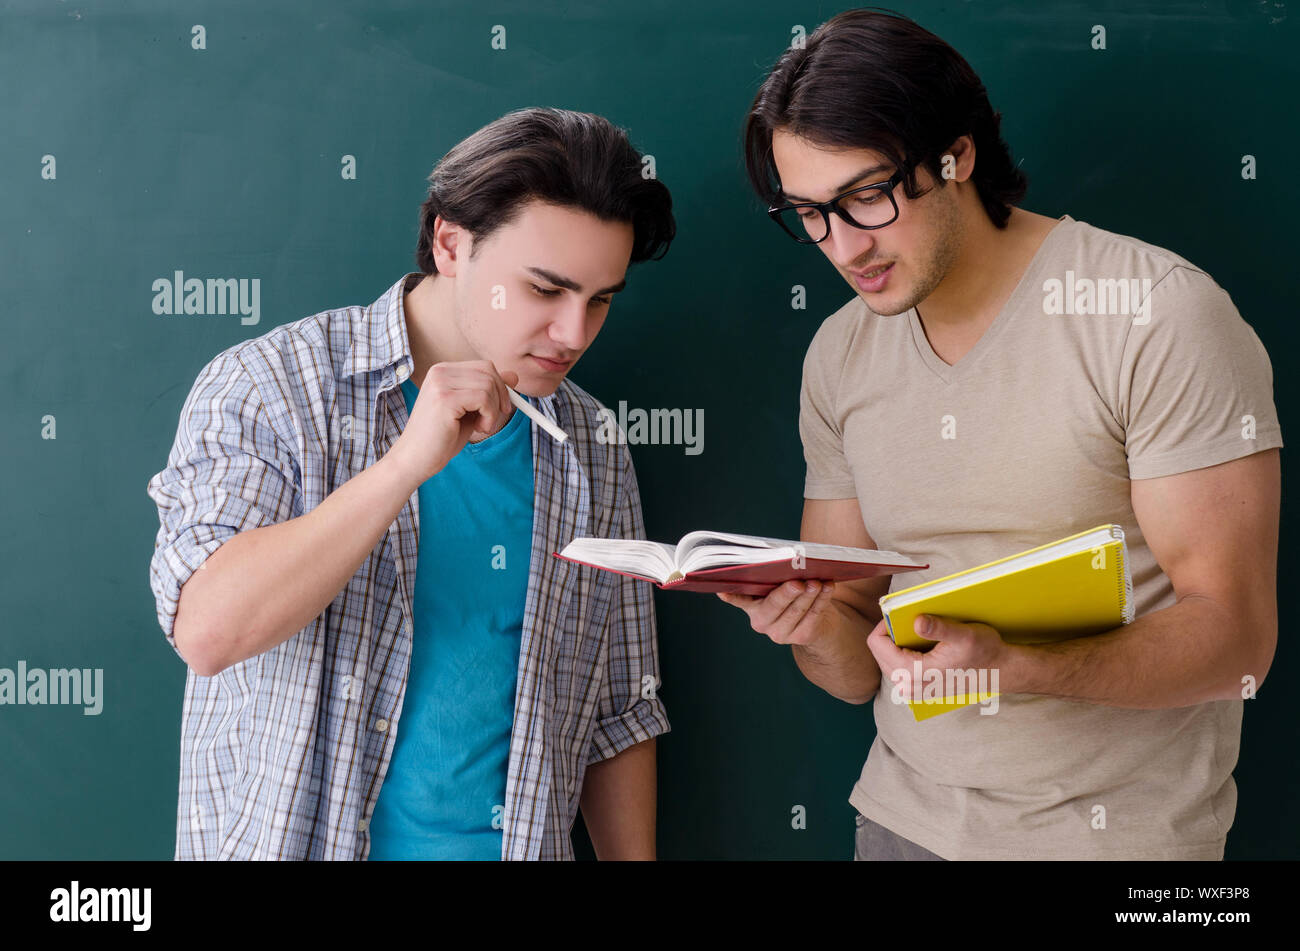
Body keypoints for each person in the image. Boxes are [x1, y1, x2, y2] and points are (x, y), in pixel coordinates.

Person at [721, 8, 1281, 860]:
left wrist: (1018, 665)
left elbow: (1238, 642)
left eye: (866, 197)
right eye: (809, 212)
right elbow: (854, 668)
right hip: (903, 825)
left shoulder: (1155, 312)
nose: (841, 246)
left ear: (958, 156)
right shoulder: (838, 354)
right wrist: (807, 624)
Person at [146, 107, 676, 860]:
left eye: (600, 300)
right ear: (450, 243)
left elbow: (620, 710)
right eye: (544, 290)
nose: (573, 334)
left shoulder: (589, 444)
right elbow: (208, 631)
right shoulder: (270, 387)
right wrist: (403, 467)